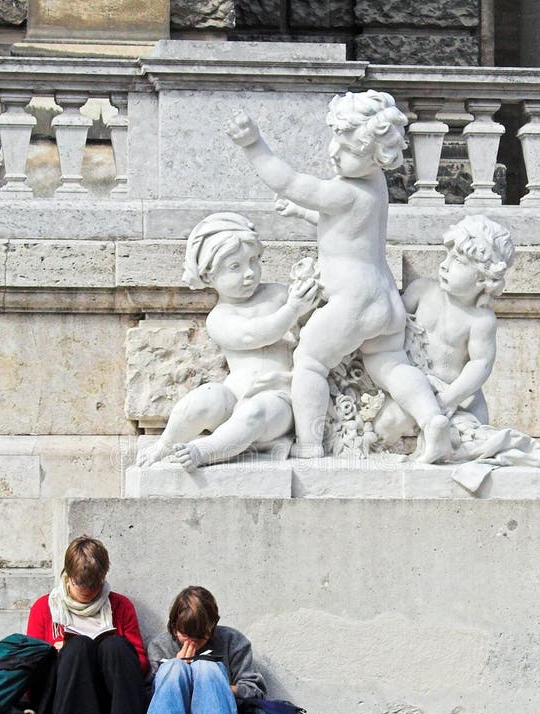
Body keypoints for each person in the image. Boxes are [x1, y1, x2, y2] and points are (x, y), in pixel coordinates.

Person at [228, 90, 453, 463]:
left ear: (374, 156)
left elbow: (291, 183)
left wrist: (255, 146)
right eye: (336, 141)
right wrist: (305, 215)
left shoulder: (342, 192)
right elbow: (349, 229)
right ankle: (432, 420)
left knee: (311, 361)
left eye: (347, 150)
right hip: (384, 300)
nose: (335, 152)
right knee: (391, 364)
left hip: (352, 301)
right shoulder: (375, 185)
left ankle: (310, 445)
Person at [135, 212, 319, 469]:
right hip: (234, 397)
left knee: (254, 413)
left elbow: (319, 318)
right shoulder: (219, 318)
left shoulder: (279, 294)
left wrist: (310, 288)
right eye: (235, 267)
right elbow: (252, 335)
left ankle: (205, 451)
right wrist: (292, 311)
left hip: (278, 400)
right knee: (202, 399)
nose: (249, 273)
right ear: (208, 276)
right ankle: (164, 445)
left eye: (253, 261)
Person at [373, 215, 516, 447]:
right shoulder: (422, 291)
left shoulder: (481, 320)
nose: (445, 265)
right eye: (447, 255)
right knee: (383, 428)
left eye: (458, 261)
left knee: (471, 445)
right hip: (414, 388)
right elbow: (390, 322)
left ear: (484, 278)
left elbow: (480, 364)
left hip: (459, 398)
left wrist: (450, 398)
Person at [26, 535, 150, 714]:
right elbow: (31, 668)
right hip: (66, 692)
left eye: (94, 586)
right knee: (78, 647)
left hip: (110, 694)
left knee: (116, 645)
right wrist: (56, 653)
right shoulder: (45, 607)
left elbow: (141, 663)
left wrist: (104, 651)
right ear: (68, 576)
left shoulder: (120, 606)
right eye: (79, 585)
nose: (88, 591)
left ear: (103, 578)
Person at [139, 586, 266, 714]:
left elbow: (256, 690)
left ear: (212, 627)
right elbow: (147, 696)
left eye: (200, 637)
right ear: (174, 626)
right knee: (174, 667)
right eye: (185, 635)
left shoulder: (232, 641)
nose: (191, 642)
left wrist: (219, 687)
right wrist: (178, 668)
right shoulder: (160, 646)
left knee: (206, 666)